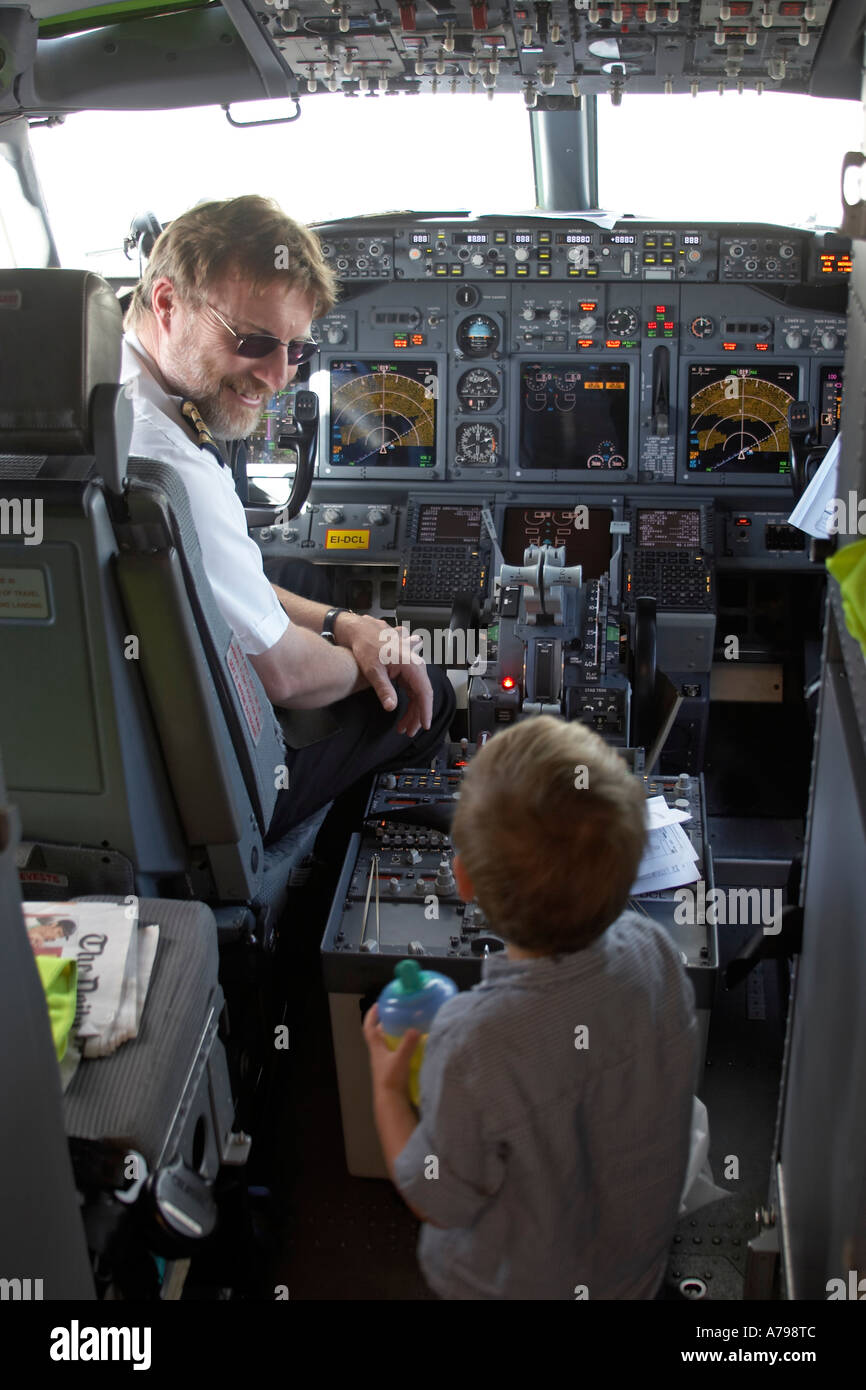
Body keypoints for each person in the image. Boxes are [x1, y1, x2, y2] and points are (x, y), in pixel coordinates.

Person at [121, 195, 454, 839]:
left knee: (305, 576)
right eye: (253, 341)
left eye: (297, 349)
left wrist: (342, 623)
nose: (277, 376)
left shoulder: (100, 383)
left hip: (128, 718)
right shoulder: (171, 461)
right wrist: (378, 657)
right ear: (167, 303)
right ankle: (319, 897)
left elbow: (212, 578)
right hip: (197, 786)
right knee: (424, 690)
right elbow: (287, 675)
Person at [363, 716, 699, 1300]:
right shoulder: (660, 955)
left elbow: (435, 1197)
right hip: (634, 1275)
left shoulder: (470, 1044)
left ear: (463, 880)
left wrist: (388, 1089)